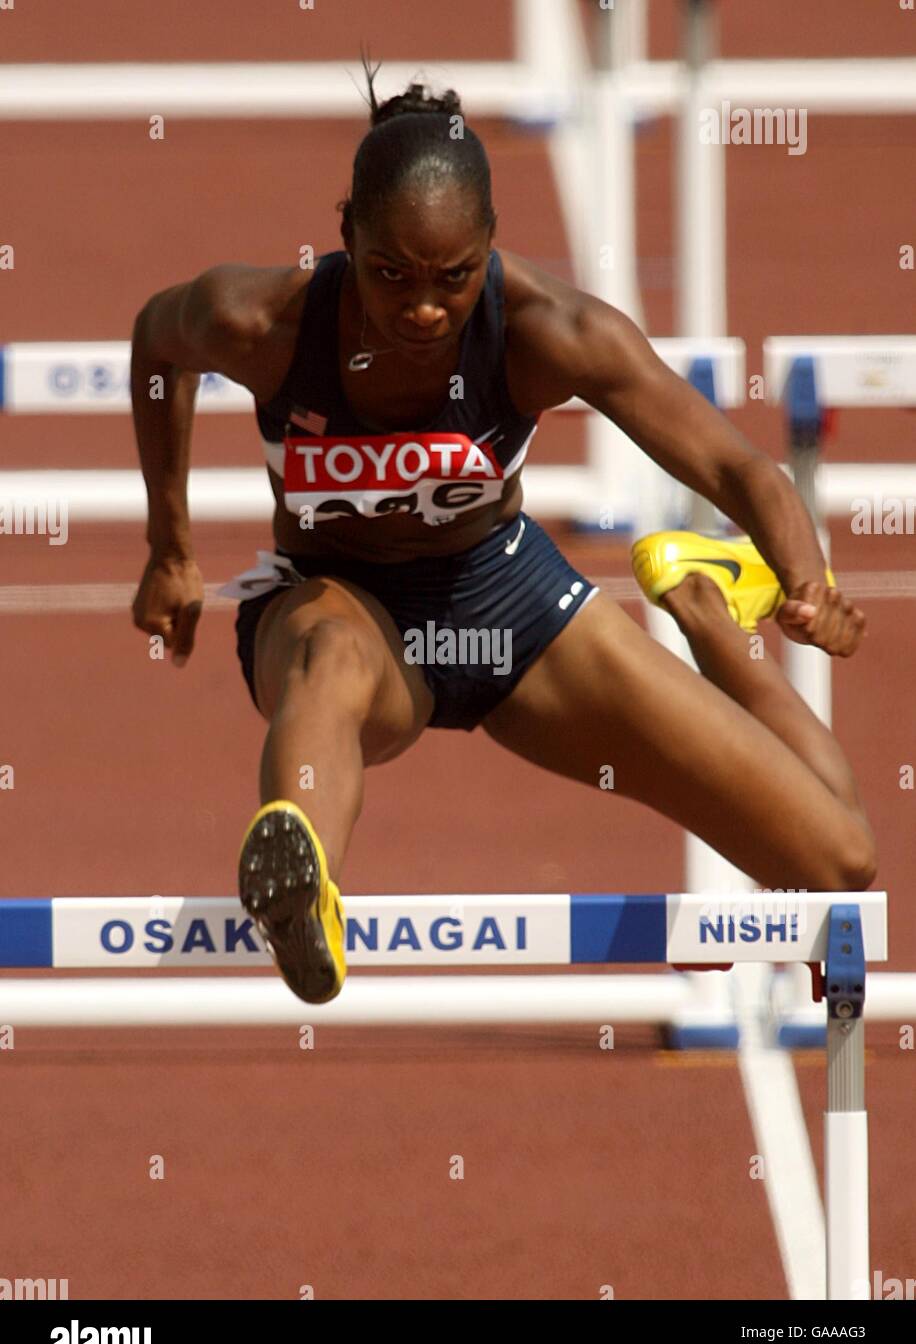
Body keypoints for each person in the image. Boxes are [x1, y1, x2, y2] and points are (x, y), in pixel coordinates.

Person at [130, 68, 876, 1007]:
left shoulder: (546, 329)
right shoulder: (265, 322)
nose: (423, 309)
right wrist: (170, 546)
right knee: (328, 662)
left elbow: (741, 472)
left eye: (453, 277)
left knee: (838, 865)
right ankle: (302, 880)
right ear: (346, 235)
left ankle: (700, 605)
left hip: (510, 601)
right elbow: (157, 343)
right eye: (390, 274)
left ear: (491, 246)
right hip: (339, 598)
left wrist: (804, 583)